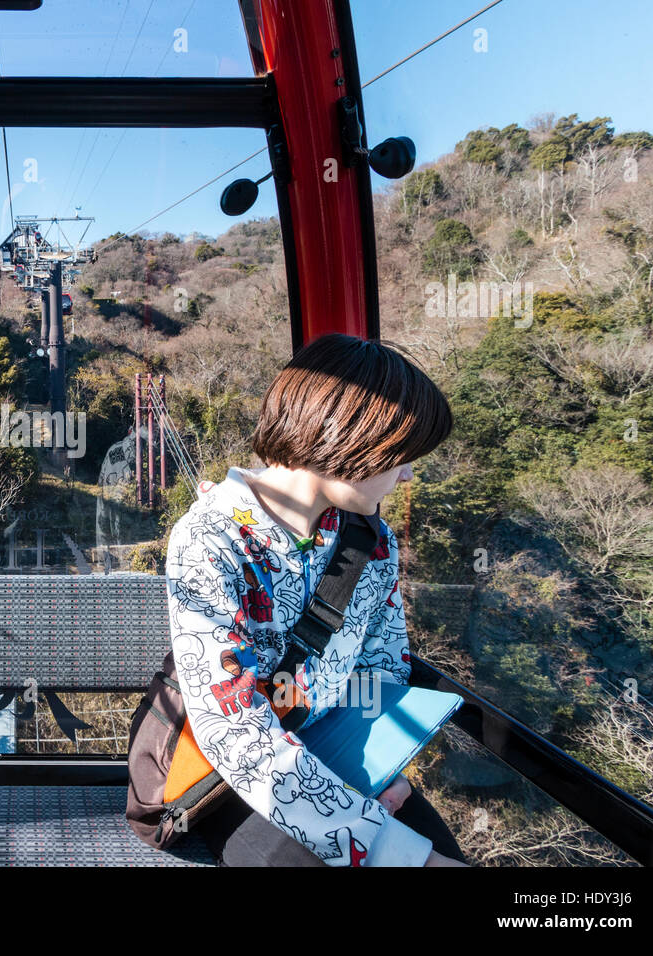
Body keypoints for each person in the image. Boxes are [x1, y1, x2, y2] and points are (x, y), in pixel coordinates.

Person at [164, 333, 468, 867]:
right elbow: (233, 727)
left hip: (337, 750)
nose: (406, 474)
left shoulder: (369, 541)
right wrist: (378, 843)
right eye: (400, 457)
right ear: (349, 439)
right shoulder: (211, 540)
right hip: (239, 774)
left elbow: (380, 661)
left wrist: (388, 774)